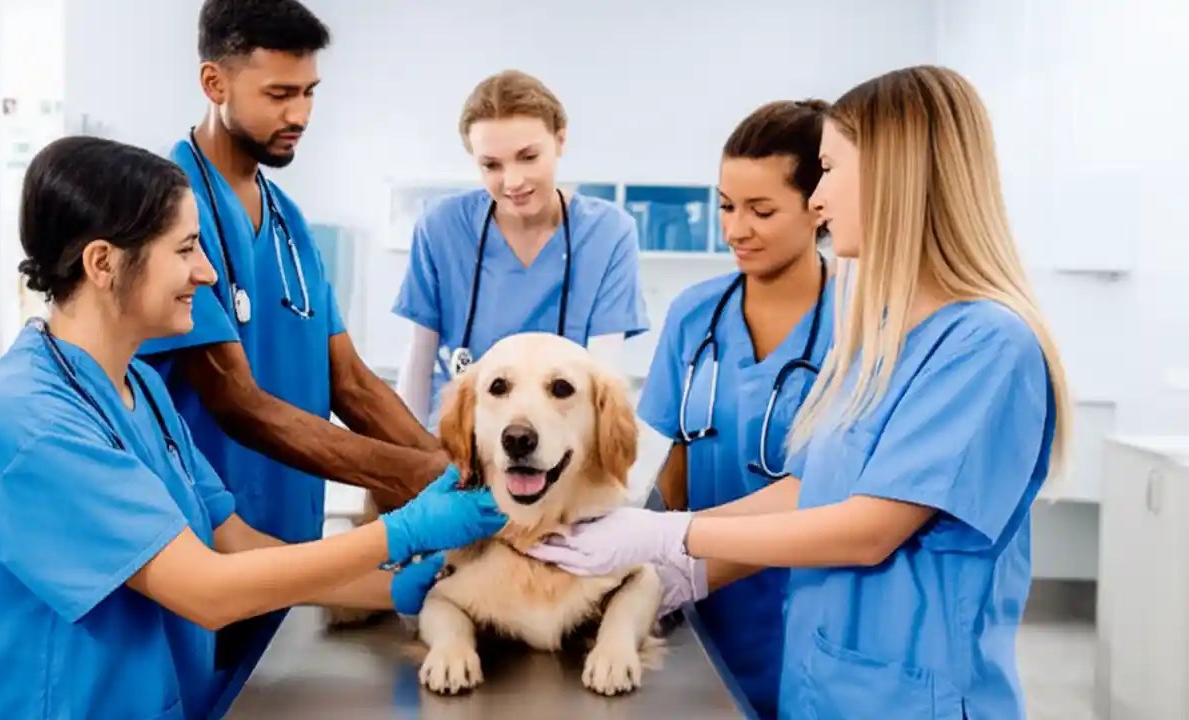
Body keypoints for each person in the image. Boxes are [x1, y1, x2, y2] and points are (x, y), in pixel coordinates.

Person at [526, 65, 1072, 720]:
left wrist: (677, 538)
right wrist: (654, 538)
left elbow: (868, 529)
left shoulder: (987, 345)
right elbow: (807, 489)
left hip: (911, 698)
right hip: (820, 688)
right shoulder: (880, 337)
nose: (818, 201)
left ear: (896, 175)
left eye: (831, 170)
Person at [0, 135, 507, 720]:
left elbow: (235, 543)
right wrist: (401, 531)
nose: (205, 274)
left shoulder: (140, 388)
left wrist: (390, 588)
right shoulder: (28, 424)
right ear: (103, 263)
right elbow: (206, 588)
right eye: (184, 250)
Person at [136, 0, 448, 694]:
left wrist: (451, 468)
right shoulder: (169, 212)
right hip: (210, 556)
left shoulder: (287, 219)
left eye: (308, 92)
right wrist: (416, 483)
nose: (300, 113)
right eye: (278, 94)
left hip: (290, 562)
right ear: (215, 83)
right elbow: (237, 402)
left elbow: (353, 383)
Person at [637, 99, 833, 719]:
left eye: (761, 210)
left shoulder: (860, 328)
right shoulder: (694, 316)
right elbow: (668, 466)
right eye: (726, 206)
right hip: (700, 610)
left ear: (817, 205)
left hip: (810, 618)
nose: (735, 229)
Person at [392, 69, 650, 429]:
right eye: (491, 165)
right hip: (460, 439)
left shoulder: (608, 233)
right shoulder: (441, 226)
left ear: (560, 140)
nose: (512, 181)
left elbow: (602, 375)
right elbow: (419, 359)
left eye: (528, 157)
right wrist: (412, 455)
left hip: (558, 442)